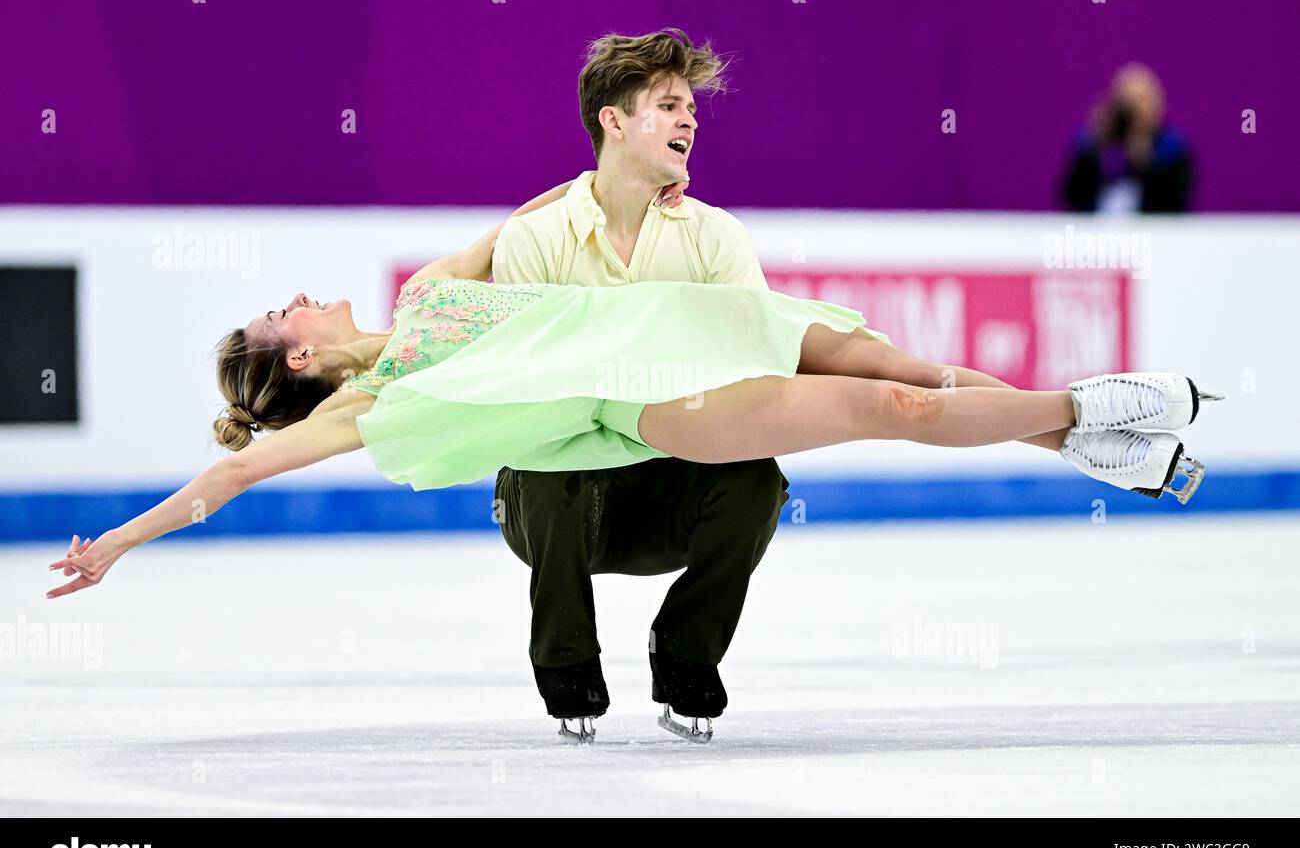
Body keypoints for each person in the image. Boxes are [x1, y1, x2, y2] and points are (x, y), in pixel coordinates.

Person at [45, 238, 1217, 749]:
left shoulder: (428, 293)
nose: (296, 296)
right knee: (894, 411)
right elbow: (238, 470)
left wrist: (638, 168)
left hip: (693, 316)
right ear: (296, 360)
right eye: (279, 314)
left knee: (913, 370)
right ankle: (1084, 412)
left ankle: (1076, 438)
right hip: (651, 398)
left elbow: (539, 218)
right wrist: (124, 543)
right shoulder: (371, 401)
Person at [485, 28, 782, 738]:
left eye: (692, 110)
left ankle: (685, 650)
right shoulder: (535, 238)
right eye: (670, 105)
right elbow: (531, 382)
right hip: (562, 500)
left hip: (668, 489)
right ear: (612, 121)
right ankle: (566, 664)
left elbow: (749, 365)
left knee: (758, 478)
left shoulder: (716, 238)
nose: (690, 120)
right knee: (547, 451)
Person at [1062, 62, 1193, 213]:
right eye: (1126, 100)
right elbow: (1071, 196)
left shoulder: (1173, 147)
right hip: (1097, 233)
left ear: (1158, 103)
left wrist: (1145, 159)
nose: (1133, 110)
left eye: (1141, 100)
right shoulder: (1091, 142)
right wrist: (1096, 144)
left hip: (1154, 233)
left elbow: (1176, 203)